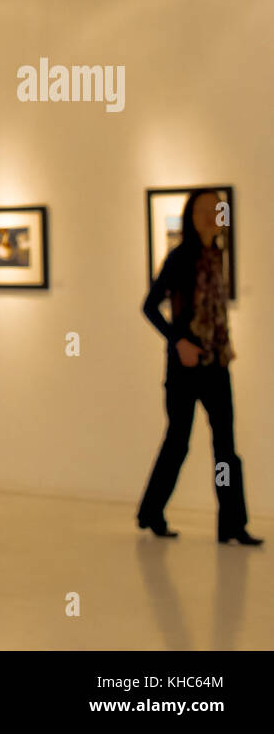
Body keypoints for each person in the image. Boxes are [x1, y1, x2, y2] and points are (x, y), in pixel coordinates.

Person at [137, 189, 262, 545]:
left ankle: (232, 524)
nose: (212, 215)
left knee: (226, 449)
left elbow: (216, 313)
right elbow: (149, 306)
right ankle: (151, 511)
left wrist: (224, 346)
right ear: (191, 215)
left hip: (216, 366)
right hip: (185, 368)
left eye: (216, 209)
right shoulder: (180, 257)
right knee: (178, 443)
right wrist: (179, 341)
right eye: (205, 209)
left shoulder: (217, 255)